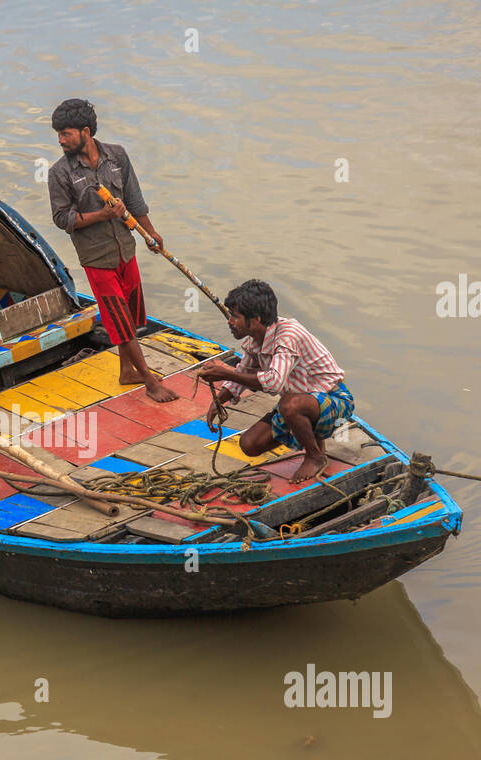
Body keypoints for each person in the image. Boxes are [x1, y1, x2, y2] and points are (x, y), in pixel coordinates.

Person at [46, 98, 177, 403]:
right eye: (59, 135)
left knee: (129, 317)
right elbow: (62, 218)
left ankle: (126, 371)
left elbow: (133, 198)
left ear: (86, 131)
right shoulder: (59, 173)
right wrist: (101, 215)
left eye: (66, 134)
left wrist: (151, 232)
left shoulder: (116, 156)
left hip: (125, 250)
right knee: (119, 322)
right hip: (97, 259)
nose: (61, 141)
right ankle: (148, 381)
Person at [196, 280, 354, 483]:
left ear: (256, 319)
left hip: (335, 400)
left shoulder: (288, 335)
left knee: (290, 404)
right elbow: (242, 372)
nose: (230, 321)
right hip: (305, 400)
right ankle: (314, 441)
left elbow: (273, 383)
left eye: (235, 316)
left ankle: (315, 456)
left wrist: (226, 372)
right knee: (249, 444)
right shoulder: (255, 339)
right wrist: (218, 402)